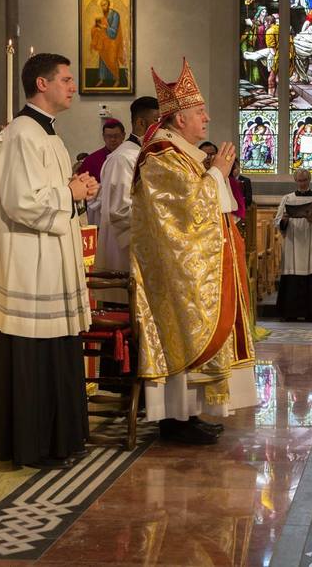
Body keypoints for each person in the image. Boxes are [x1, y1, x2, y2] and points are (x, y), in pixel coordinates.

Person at [0, 53, 99, 470]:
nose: (73, 87)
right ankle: (32, 445)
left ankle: (58, 439)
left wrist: (75, 189)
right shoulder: (20, 134)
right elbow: (20, 202)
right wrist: (71, 194)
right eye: (66, 79)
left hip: (51, 260)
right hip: (30, 265)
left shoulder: (49, 136)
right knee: (34, 354)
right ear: (42, 85)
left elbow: (51, 194)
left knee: (57, 352)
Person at [132, 58, 256, 444]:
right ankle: (174, 418)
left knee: (197, 337)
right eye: (199, 112)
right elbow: (188, 209)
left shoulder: (182, 152)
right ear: (179, 119)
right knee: (181, 336)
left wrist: (215, 171)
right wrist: (217, 171)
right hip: (175, 274)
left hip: (195, 266)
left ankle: (188, 414)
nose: (206, 117)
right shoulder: (161, 155)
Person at [94, 97, 160, 290]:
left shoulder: (142, 153)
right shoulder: (123, 158)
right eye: (157, 120)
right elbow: (120, 211)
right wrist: (158, 228)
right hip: (124, 256)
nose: (161, 127)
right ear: (141, 123)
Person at [274, 168, 312, 322]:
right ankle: (290, 313)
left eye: (305, 180)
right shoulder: (287, 199)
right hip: (293, 243)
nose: (302, 184)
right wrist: (285, 220)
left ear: (309, 180)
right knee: (292, 275)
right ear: (295, 181)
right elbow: (277, 221)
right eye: (299, 181)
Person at [77, 118, 125, 226]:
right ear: (103, 137)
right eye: (109, 136)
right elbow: (82, 186)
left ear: (123, 135)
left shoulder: (131, 156)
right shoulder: (91, 160)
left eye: (116, 136)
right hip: (98, 214)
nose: (112, 139)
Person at [90, 0, 125, 87]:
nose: (103, 7)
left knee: (112, 59)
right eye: (101, 5)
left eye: (104, 5)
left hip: (113, 42)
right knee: (102, 60)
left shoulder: (115, 14)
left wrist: (105, 27)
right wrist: (96, 28)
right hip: (104, 42)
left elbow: (114, 30)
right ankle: (102, 79)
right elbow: (98, 28)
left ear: (109, 5)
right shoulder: (103, 16)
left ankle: (117, 79)